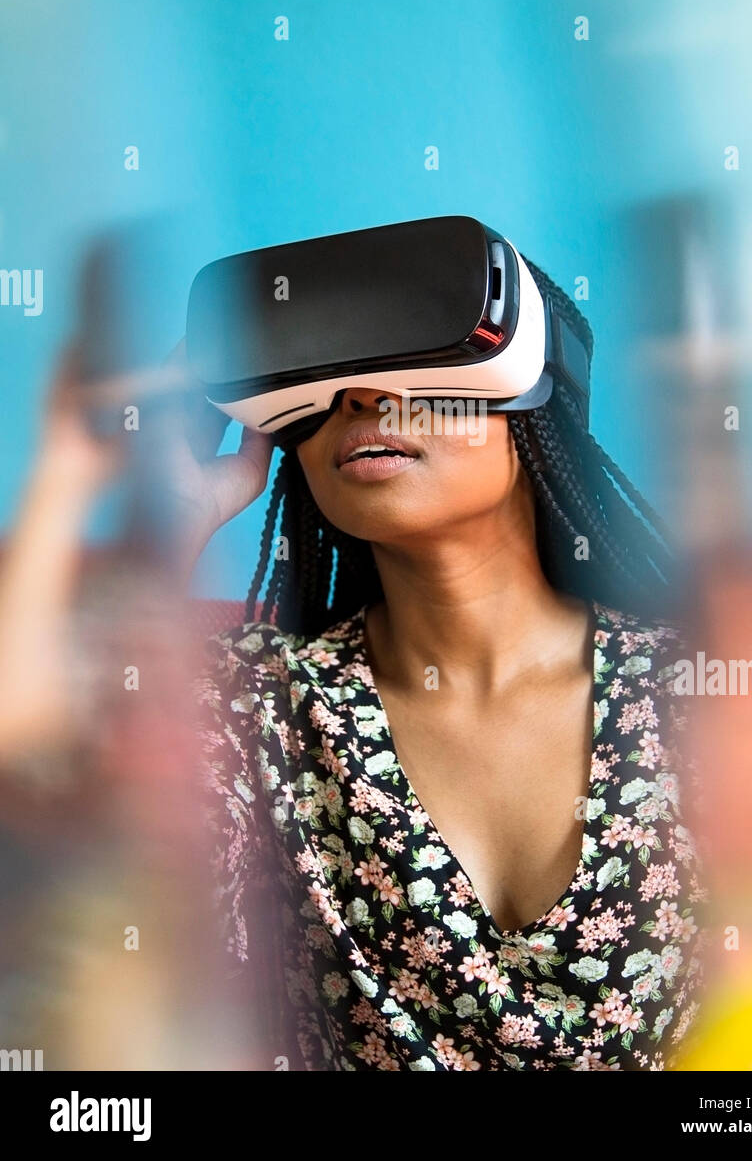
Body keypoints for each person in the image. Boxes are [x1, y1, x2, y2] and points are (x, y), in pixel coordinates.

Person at [186, 258, 708, 1071]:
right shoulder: (258, 700)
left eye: (413, 363)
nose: (359, 398)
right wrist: (169, 517)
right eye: (322, 379)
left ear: (536, 396)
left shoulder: (706, 691)